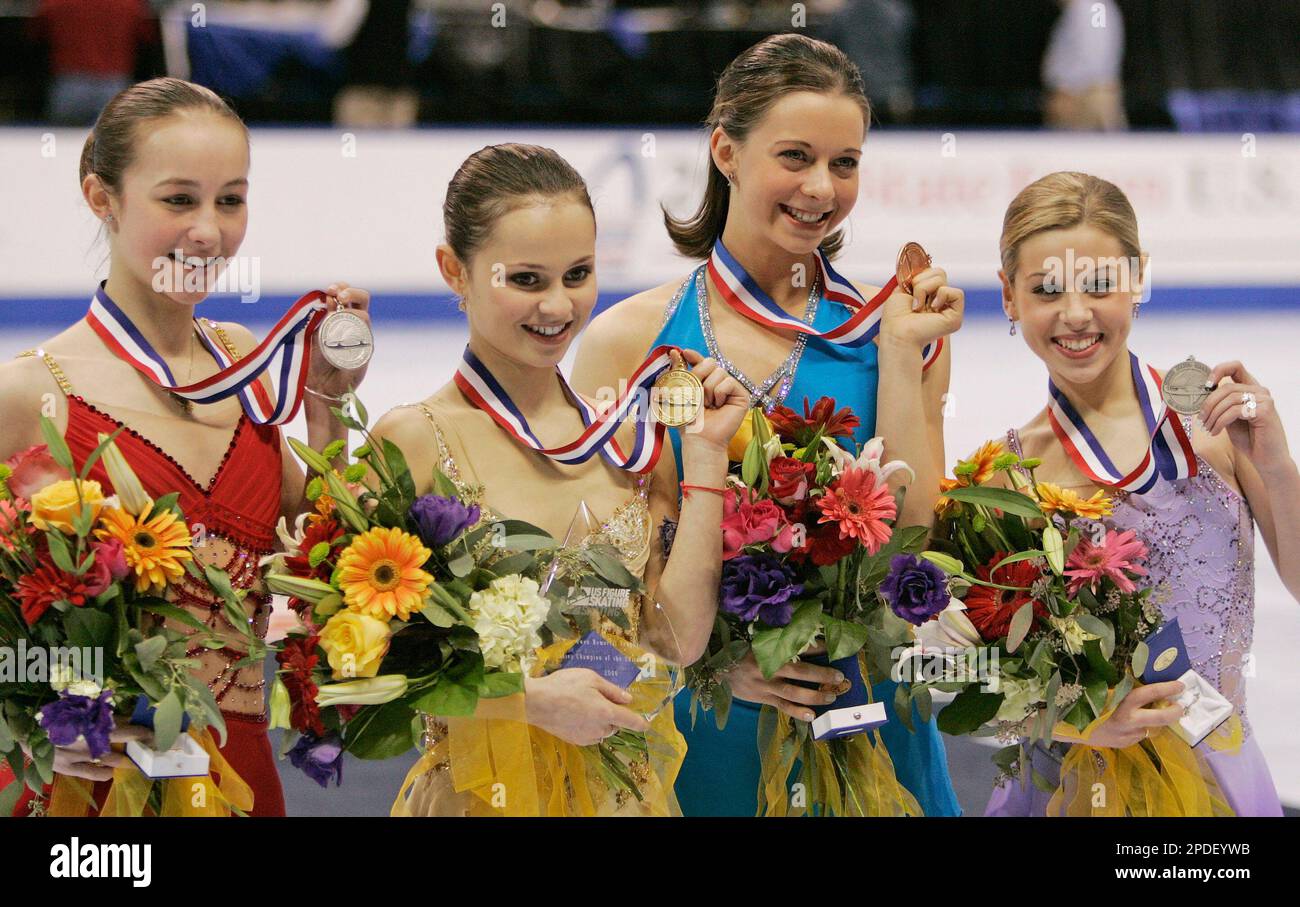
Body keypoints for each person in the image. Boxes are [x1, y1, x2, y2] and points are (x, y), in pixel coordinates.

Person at [572, 33, 963, 816]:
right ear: (725, 149)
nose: (821, 186)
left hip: (869, 723)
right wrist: (710, 667)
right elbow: (592, 584)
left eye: (845, 162)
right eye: (796, 156)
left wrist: (895, 350)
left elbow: (913, 549)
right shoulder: (631, 340)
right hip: (704, 733)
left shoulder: (893, 332)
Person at [0, 77, 370, 816]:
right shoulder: (32, 393)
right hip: (93, 790)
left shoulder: (249, 370)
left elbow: (333, 570)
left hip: (241, 777)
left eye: (230, 199)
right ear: (101, 197)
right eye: (179, 200)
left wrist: (327, 404)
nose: (209, 230)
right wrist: (34, 720)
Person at [373, 143, 749, 816]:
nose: (557, 304)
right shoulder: (411, 440)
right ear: (453, 270)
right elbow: (357, 667)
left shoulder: (632, 444)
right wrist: (529, 702)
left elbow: (677, 639)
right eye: (525, 279)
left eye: (578, 273)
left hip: (625, 798)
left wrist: (709, 455)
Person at [985, 170, 1297, 815]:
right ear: (1009, 297)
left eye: (1099, 284)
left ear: (1138, 279)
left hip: (1218, 776)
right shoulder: (1005, 478)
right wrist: (1076, 723)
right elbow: (948, 667)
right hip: (1062, 786)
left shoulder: (1214, 429)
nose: (1075, 314)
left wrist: (1277, 464)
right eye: (1046, 290)